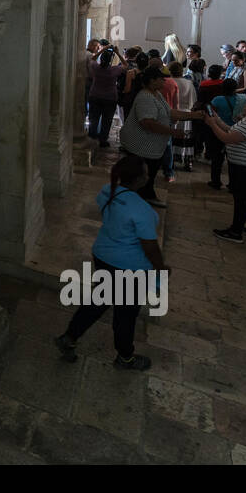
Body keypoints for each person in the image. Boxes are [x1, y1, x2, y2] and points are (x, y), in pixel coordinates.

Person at [54, 155, 164, 371]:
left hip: (104, 256)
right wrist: (161, 268)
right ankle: (125, 357)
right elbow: (150, 247)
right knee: (126, 314)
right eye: (146, 173)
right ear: (140, 180)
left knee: (98, 300)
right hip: (129, 268)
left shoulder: (107, 191)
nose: (148, 175)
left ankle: (69, 337)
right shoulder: (142, 210)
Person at [118, 67, 202, 206]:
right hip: (141, 145)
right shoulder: (145, 97)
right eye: (160, 78)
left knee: (149, 175)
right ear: (152, 81)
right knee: (141, 176)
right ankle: (133, 201)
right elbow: (148, 123)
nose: (164, 80)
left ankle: (145, 196)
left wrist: (193, 115)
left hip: (150, 146)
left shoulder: (156, 94)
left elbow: (170, 113)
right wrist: (173, 132)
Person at [206, 94, 246, 243]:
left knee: (242, 199)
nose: (245, 107)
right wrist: (217, 120)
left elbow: (227, 138)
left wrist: (212, 125)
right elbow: (231, 130)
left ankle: (236, 232)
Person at [205, 79, 245, 190]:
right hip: (235, 131)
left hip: (219, 131)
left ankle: (216, 181)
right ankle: (233, 184)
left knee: (217, 158)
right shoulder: (242, 99)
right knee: (233, 160)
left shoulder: (217, 99)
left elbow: (211, 113)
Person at [87, 46, 125, 147]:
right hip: (110, 98)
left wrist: (102, 50)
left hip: (95, 95)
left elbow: (92, 59)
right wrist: (117, 53)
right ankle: (103, 140)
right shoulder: (114, 70)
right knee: (107, 120)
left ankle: (91, 136)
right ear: (110, 60)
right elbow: (126, 65)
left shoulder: (96, 68)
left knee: (93, 118)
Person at [170, 61, 197, 171]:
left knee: (172, 138)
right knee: (185, 140)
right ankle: (187, 161)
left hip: (172, 112)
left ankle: (170, 159)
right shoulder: (188, 83)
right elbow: (194, 100)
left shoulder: (169, 82)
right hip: (186, 113)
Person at [84, 39, 102, 123]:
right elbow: (92, 72)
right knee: (90, 105)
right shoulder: (90, 55)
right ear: (92, 46)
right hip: (88, 82)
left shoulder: (84, 53)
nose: (98, 49)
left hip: (83, 80)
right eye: (97, 46)